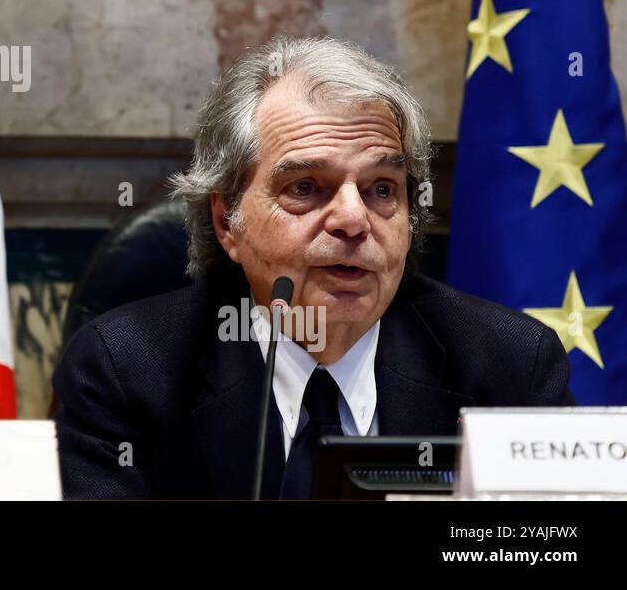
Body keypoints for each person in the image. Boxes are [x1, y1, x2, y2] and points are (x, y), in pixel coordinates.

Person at [53, 36, 571, 498]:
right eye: (305, 188)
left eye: (381, 190)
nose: (353, 219)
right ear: (227, 221)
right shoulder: (125, 373)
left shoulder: (510, 369)